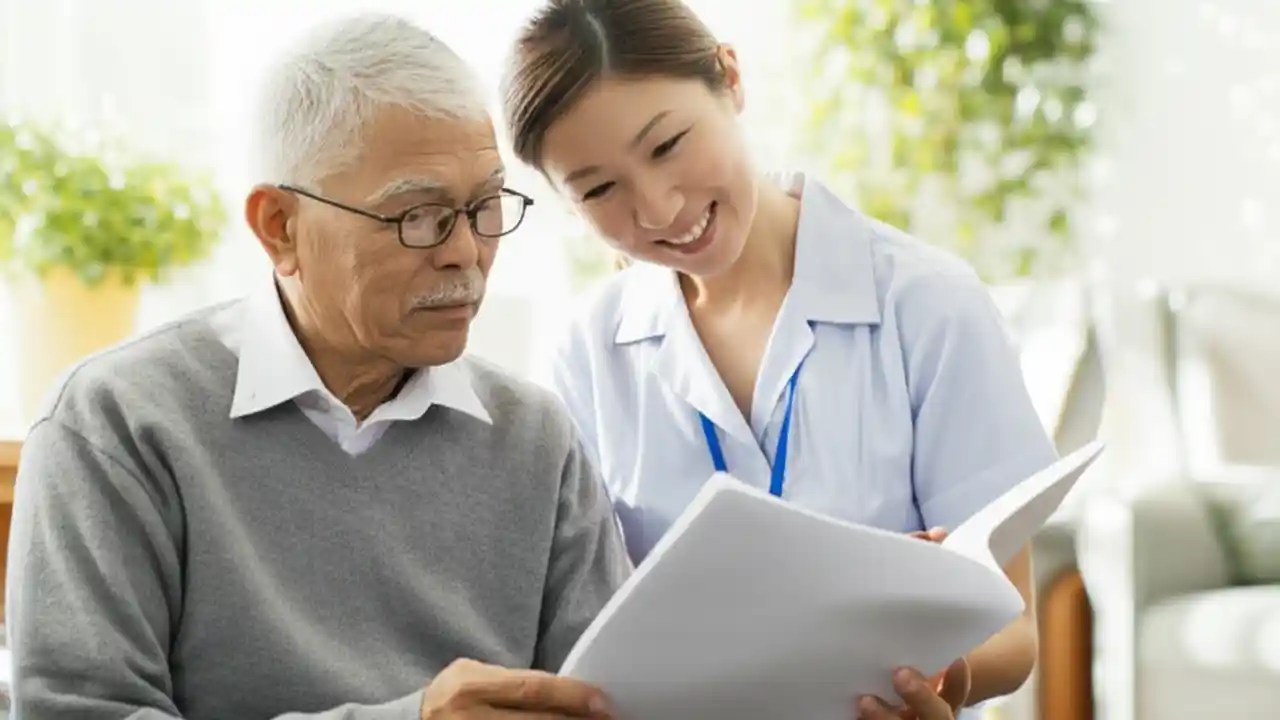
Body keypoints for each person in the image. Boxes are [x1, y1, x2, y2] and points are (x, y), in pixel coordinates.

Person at [6, 14, 630, 720]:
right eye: (418, 217)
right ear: (279, 227)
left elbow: (611, 699)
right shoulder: (115, 423)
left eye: (485, 206)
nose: (466, 252)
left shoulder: (537, 439)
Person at [502, 1, 1057, 718]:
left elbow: (1013, 634)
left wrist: (934, 677)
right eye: (601, 190)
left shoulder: (929, 307)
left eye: (667, 145)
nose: (660, 208)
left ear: (729, 79)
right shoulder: (586, 354)